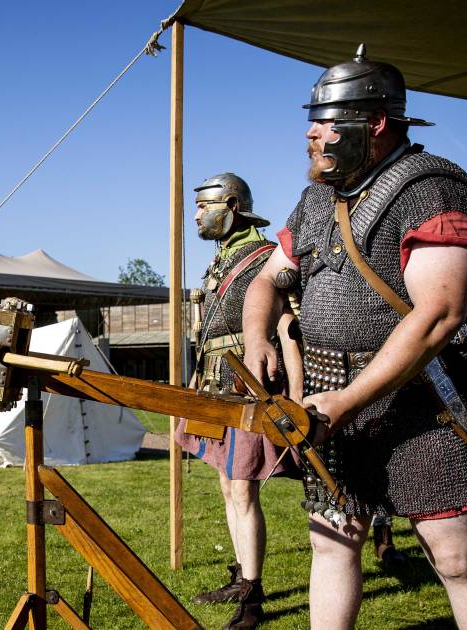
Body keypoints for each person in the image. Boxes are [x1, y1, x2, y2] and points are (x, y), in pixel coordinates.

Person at [241, 45, 467, 629]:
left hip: (421, 403)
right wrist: (255, 335)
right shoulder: (317, 200)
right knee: (333, 542)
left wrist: (346, 401)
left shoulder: (433, 188)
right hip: (326, 398)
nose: (311, 135)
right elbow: (266, 278)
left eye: (325, 123)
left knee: (458, 559)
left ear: (375, 123)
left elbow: (441, 313)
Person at [174, 173, 301, 630]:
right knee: (229, 486)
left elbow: (288, 326)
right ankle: (243, 572)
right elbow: (207, 336)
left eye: (202, 206)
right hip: (214, 383)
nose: (195, 215)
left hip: (249, 384)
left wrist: (297, 396)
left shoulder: (264, 257)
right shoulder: (221, 259)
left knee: (243, 487)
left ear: (230, 206)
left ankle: (252, 594)